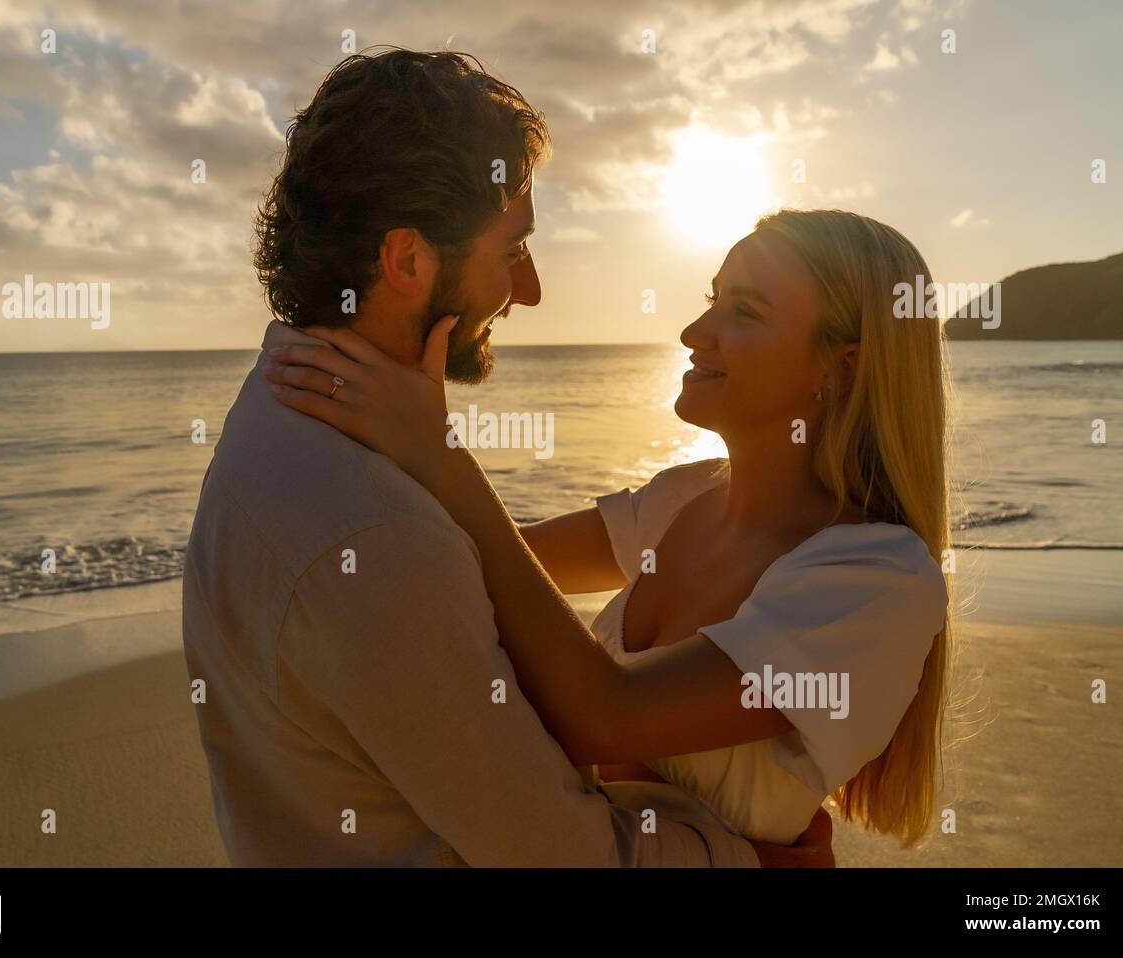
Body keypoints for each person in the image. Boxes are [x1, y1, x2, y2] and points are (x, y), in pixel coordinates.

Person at [182, 48, 832, 866]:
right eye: (512, 249)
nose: (527, 291)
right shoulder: (376, 534)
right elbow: (566, 857)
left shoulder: (269, 417)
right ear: (409, 261)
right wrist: (751, 860)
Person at [263, 208, 954, 849]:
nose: (694, 333)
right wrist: (377, 426)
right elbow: (481, 559)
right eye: (711, 298)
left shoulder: (876, 580)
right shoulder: (686, 497)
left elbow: (609, 715)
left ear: (842, 368)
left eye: (742, 311)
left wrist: (441, 454)